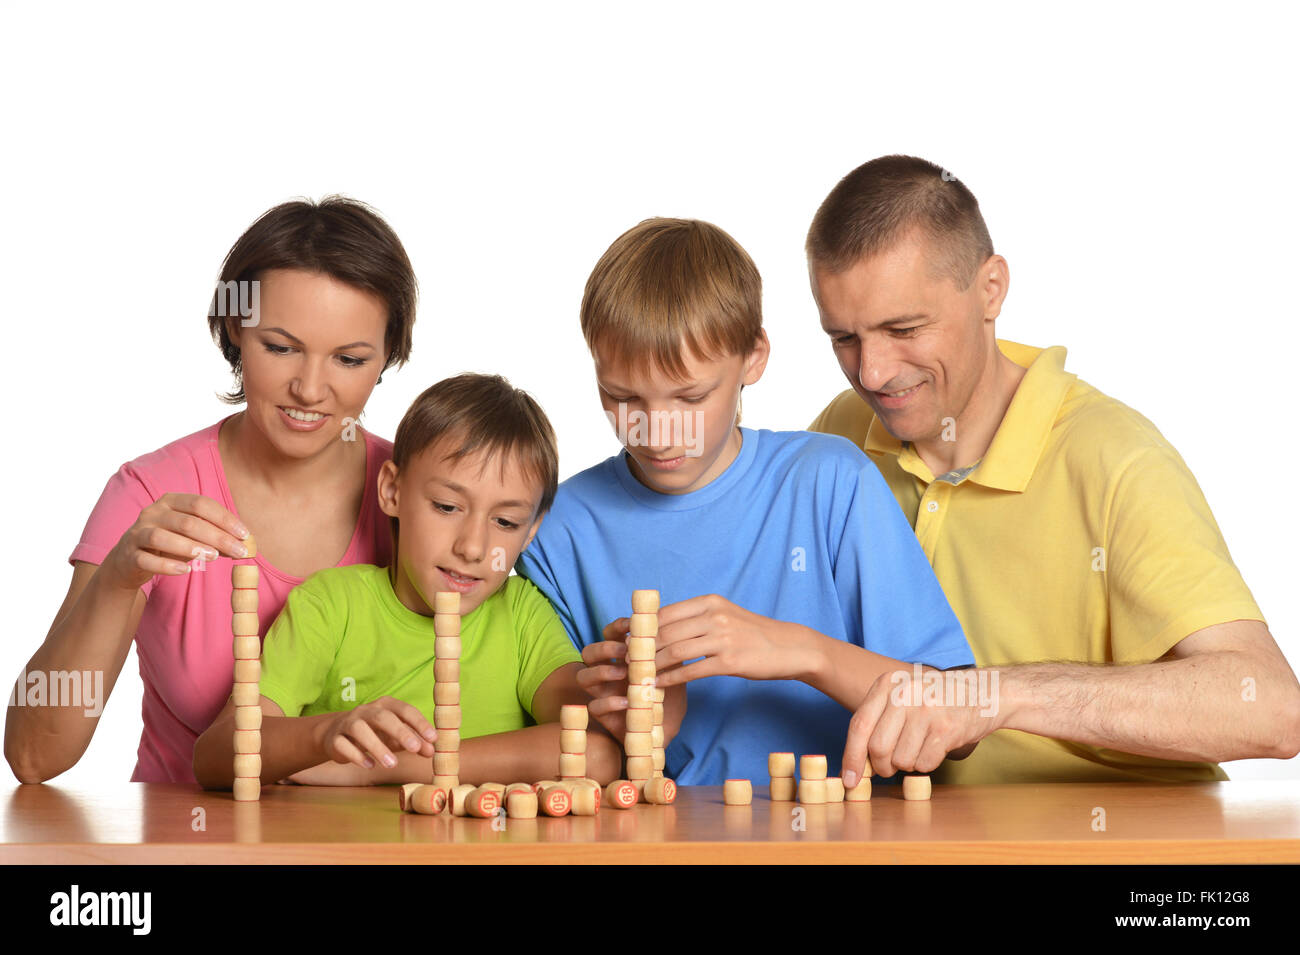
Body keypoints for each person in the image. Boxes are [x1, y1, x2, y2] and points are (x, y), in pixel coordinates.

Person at [806, 155, 1300, 785]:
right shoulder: (841, 433)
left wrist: (995, 695)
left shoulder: (1117, 459)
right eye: (843, 338)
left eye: (904, 328)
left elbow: (1271, 706)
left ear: (991, 288)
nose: (871, 372)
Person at [516, 217, 974, 786]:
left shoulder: (831, 482)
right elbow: (544, 721)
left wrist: (804, 651)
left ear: (754, 357)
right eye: (622, 396)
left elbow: (960, 724)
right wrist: (613, 704)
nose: (658, 432)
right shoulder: (555, 528)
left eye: (691, 396)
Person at [5, 197, 418, 784]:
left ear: (386, 359)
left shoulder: (420, 496)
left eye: (349, 359)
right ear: (235, 329)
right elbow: (33, 756)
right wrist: (119, 577)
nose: (309, 388)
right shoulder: (151, 492)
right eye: (280, 347)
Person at [193, 373, 620, 788]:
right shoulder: (331, 606)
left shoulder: (523, 614)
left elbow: (596, 751)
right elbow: (214, 756)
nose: (472, 547)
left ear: (530, 531)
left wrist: (380, 767)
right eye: (447, 506)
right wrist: (325, 735)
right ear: (392, 491)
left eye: (506, 521)